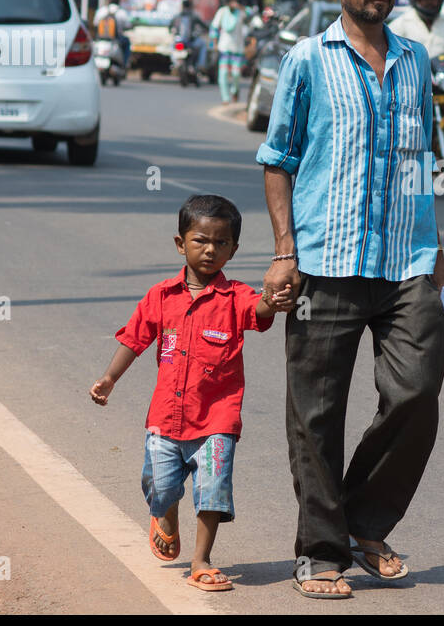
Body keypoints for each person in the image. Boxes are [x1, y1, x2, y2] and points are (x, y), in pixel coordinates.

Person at [255, 0, 444, 599]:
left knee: (417, 391)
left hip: (405, 261)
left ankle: (364, 523)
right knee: (316, 412)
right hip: (324, 261)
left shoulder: (414, 60)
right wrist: (285, 253)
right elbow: (278, 161)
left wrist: (438, 258)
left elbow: (417, 165)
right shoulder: (308, 60)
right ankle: (320, 551)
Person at [89, 194, 292, 591]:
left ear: (233, 250)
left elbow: (261, 310)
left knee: (213, 489)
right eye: (200, 240)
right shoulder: (160, 297)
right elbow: (134, 340)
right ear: (181, 244)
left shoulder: (236, 298)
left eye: (221, 243)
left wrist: (275, 299)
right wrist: (110, 378)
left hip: (217, 419)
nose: (210, 250)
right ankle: (163, 513)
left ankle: (202, 560)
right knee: (160, 488)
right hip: (165, 419)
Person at [209, 0, 248, 105]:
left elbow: (250, 14)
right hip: (224, 47)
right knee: (223, 73)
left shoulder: (240, 13)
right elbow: (214, 27)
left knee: (236, 74)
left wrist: (241, 7)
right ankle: (225, 98)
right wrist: (214, 44)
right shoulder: (222, 12)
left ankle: (235, 91)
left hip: (237, 48)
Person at [94, 0, 132, 71]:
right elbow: (127, 25)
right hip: (116, 39)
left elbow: (95, 23)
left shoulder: (101, 10)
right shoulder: (122, 12)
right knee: (127, 42)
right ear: (119, 2)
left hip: (100, 39)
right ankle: (125, 64)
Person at [170, 0, 207, 76]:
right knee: (203, 44)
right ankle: (201, 64)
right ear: (190, 6)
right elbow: (204, 26)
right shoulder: (193, 16)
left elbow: (170, 27)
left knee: (171, 46)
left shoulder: (176, 16)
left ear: (182, 6)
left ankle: (175, 63)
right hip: (191, 41)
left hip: (179, 41)